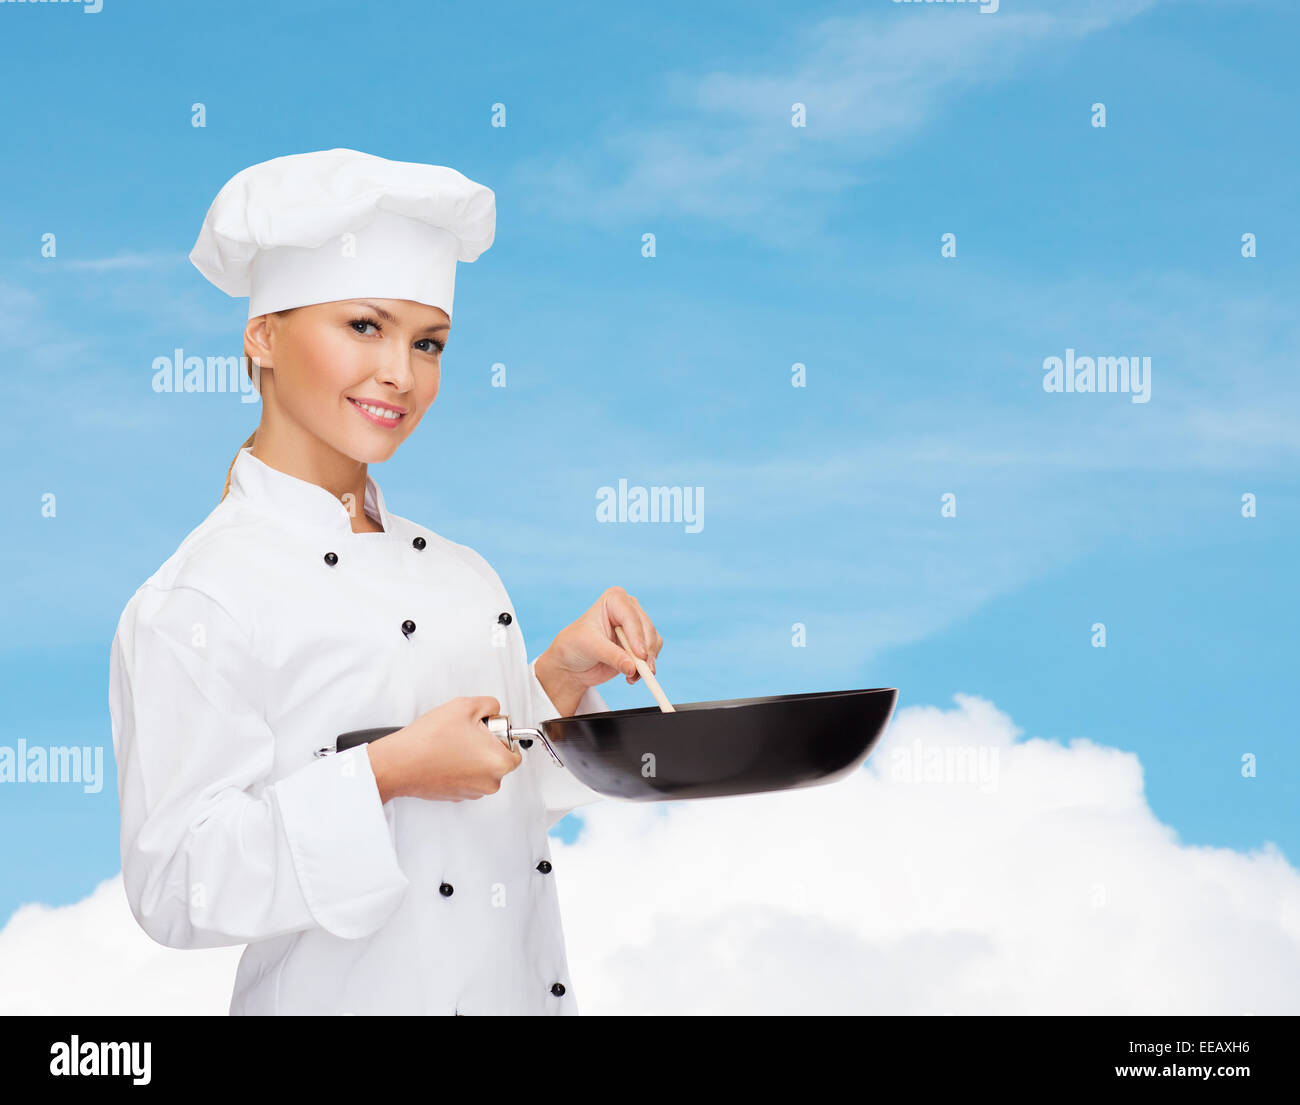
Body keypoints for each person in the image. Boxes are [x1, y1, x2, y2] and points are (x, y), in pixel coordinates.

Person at [107, 148, 663, 1015]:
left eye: (427, 341)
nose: (401, 374)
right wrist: (385, 774)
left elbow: (495, 806)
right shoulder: (200, 598)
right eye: (364, 326)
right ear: (262, 334)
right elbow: (179, 882)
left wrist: (558, 679)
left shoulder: (464, 576)